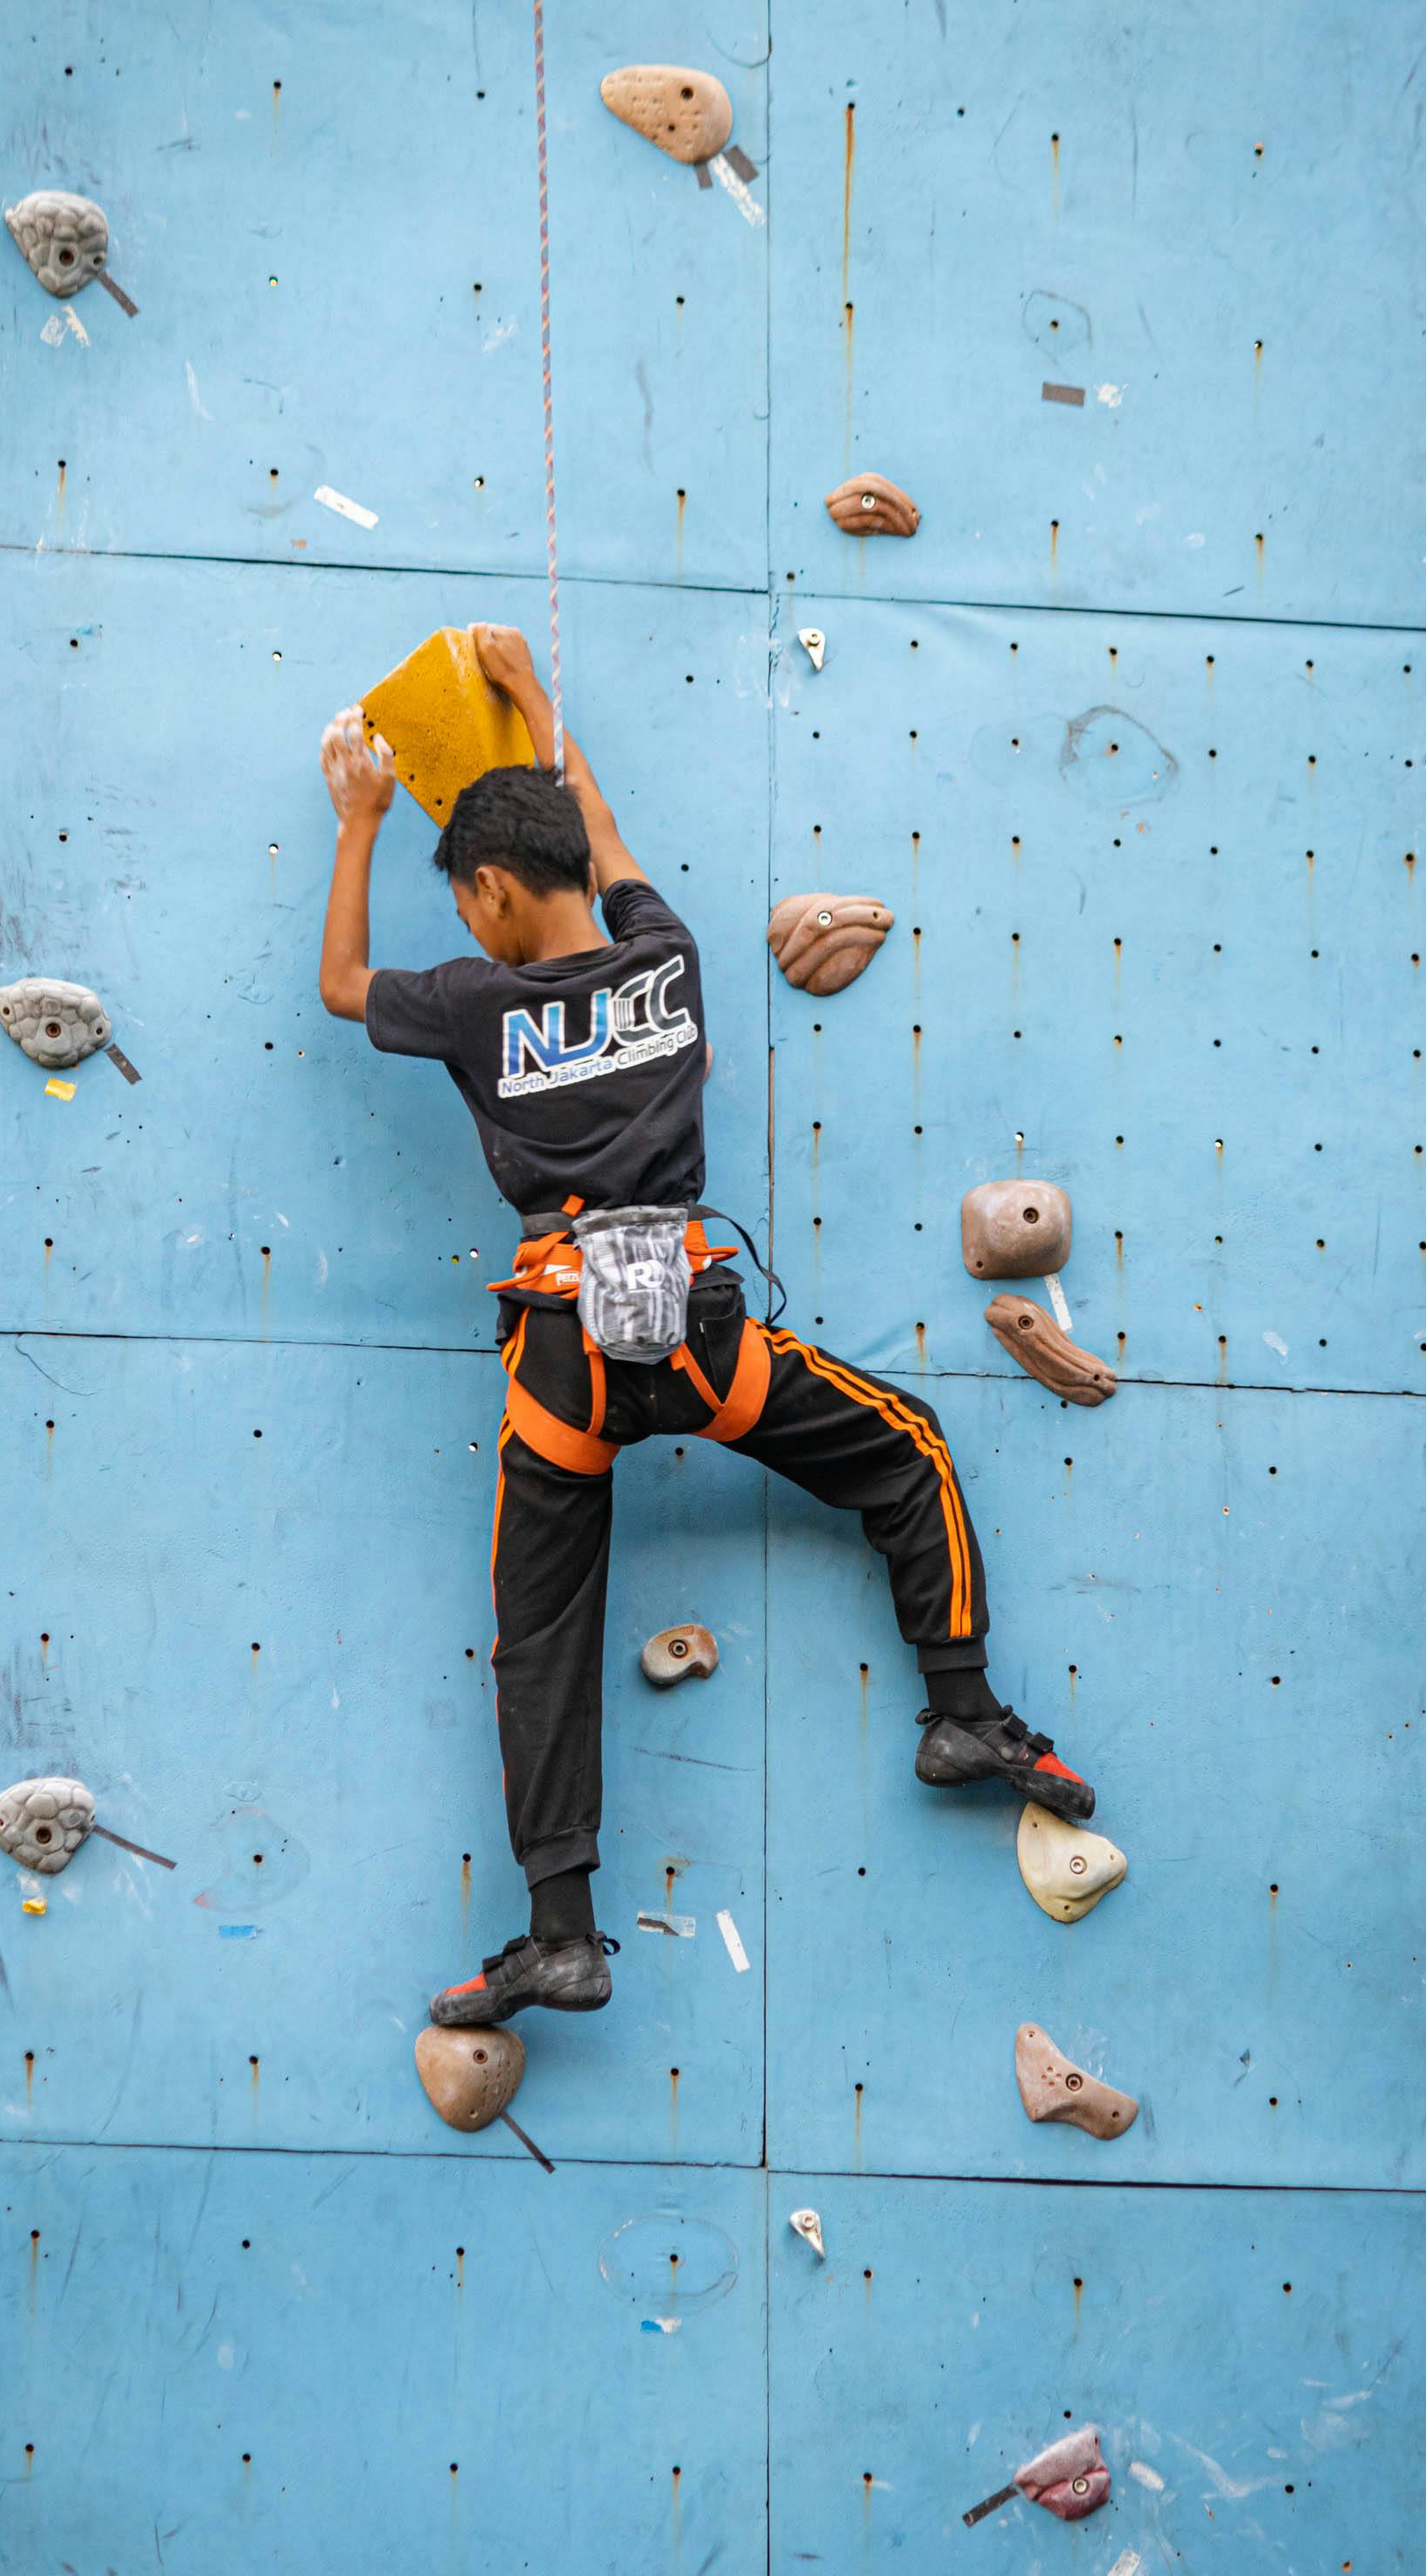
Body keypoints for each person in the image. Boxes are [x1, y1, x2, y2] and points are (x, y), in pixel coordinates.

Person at [316, 626, 1097, 2025]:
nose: (474, 926)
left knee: (539, 1635)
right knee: (903, 1453)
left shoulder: (477, 1005)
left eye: (471, 902)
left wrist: (363, 820)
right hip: (699, 1337)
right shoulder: (666, 964)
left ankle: (562, 1933)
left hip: (562, 1360)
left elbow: (340, 985)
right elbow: (601, 833)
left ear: (489, 891)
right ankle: (963, 1712)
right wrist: (538, 704)